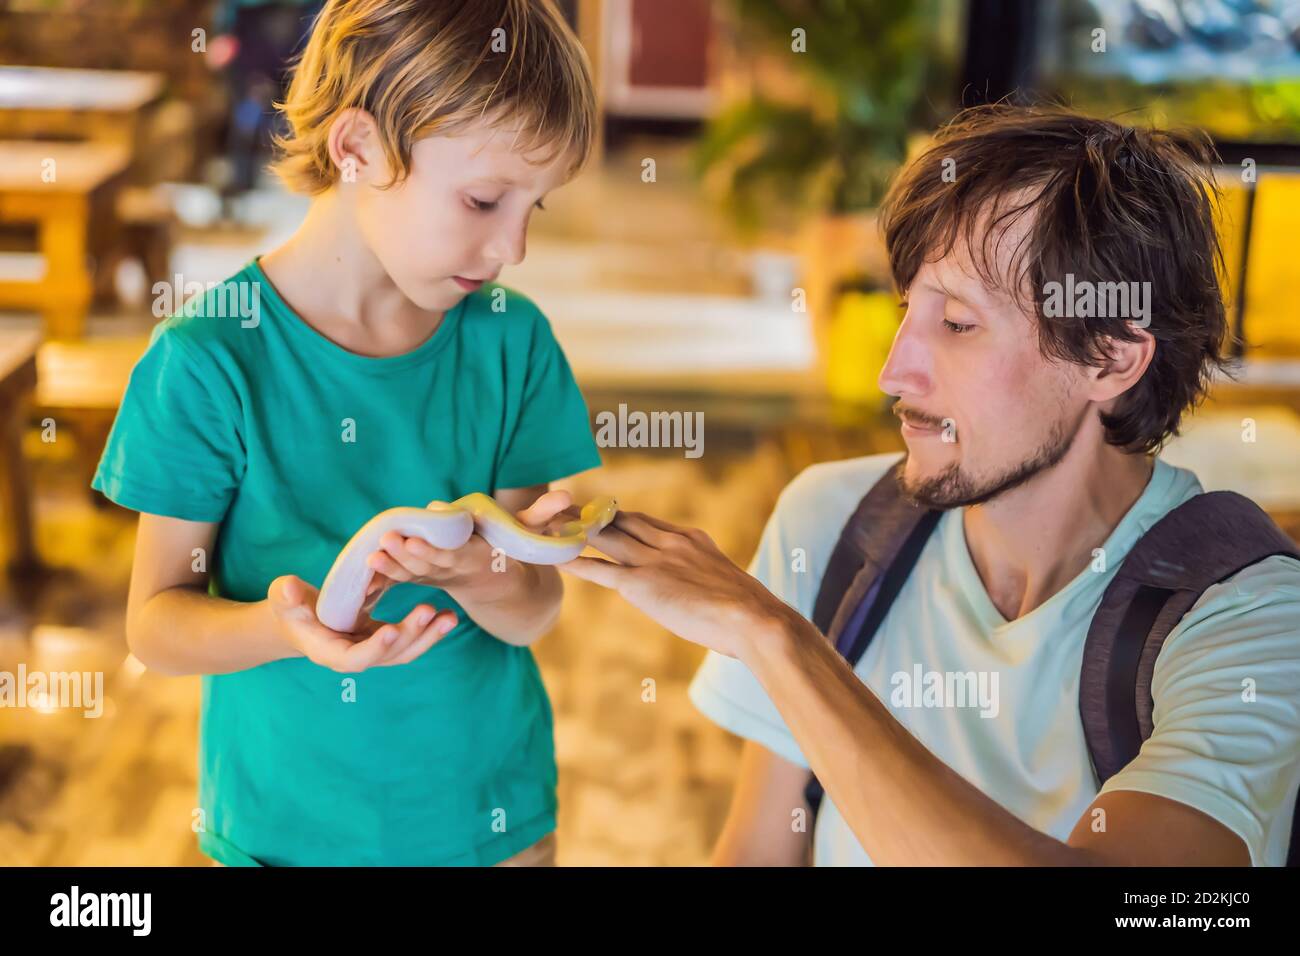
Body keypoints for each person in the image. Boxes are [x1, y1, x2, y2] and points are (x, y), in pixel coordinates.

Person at [561, 105, 1300, 866]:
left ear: (1110, 360)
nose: (894, 373)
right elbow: (758, 851)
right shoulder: (835, 523)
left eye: (958, 324)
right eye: (905, 305)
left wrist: (777, 640)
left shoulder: (1248, 617)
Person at [93, 0, 599, 866]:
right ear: (357, 146)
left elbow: (534, 613)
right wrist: (284, 627)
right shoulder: (210, 361)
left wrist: (486, 572)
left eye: (534, 208)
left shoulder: (513, 341)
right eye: (484, 199)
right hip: (282, 831)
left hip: (492, 822)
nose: (512, 246)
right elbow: (156, 625)